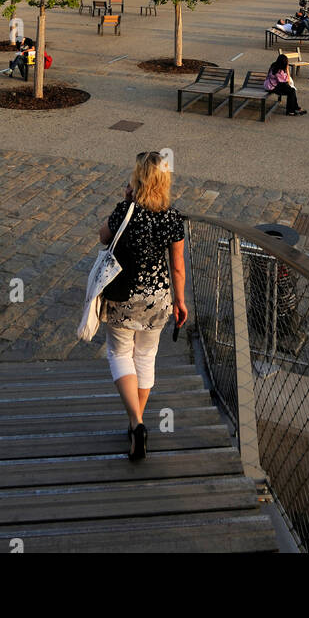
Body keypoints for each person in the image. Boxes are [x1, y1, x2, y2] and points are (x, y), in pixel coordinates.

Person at [98, 151, 187, 462]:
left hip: (122, 296)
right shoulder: (173, 217)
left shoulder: (126, 210)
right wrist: (181, 301)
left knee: (120, 353)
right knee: (145, 357)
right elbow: (177, 267)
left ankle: (136, 422)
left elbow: (102, 237)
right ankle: (136, 422)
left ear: (137, 180)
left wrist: (126, 201)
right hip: (157, 300)